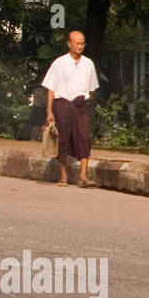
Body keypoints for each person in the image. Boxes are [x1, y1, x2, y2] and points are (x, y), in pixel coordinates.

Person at [42, 30, 100, 187]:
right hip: (62, 104)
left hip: (79, 105)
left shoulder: (88, 64)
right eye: (77, 43)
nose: (80, 46)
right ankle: (63, 174)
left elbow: (91, 89)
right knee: (63, 139)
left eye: (82, 43)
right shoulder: (59, 63)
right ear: (69, 44)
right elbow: (50, 88)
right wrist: (49, 110)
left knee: (84, 137)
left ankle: (83, 175)